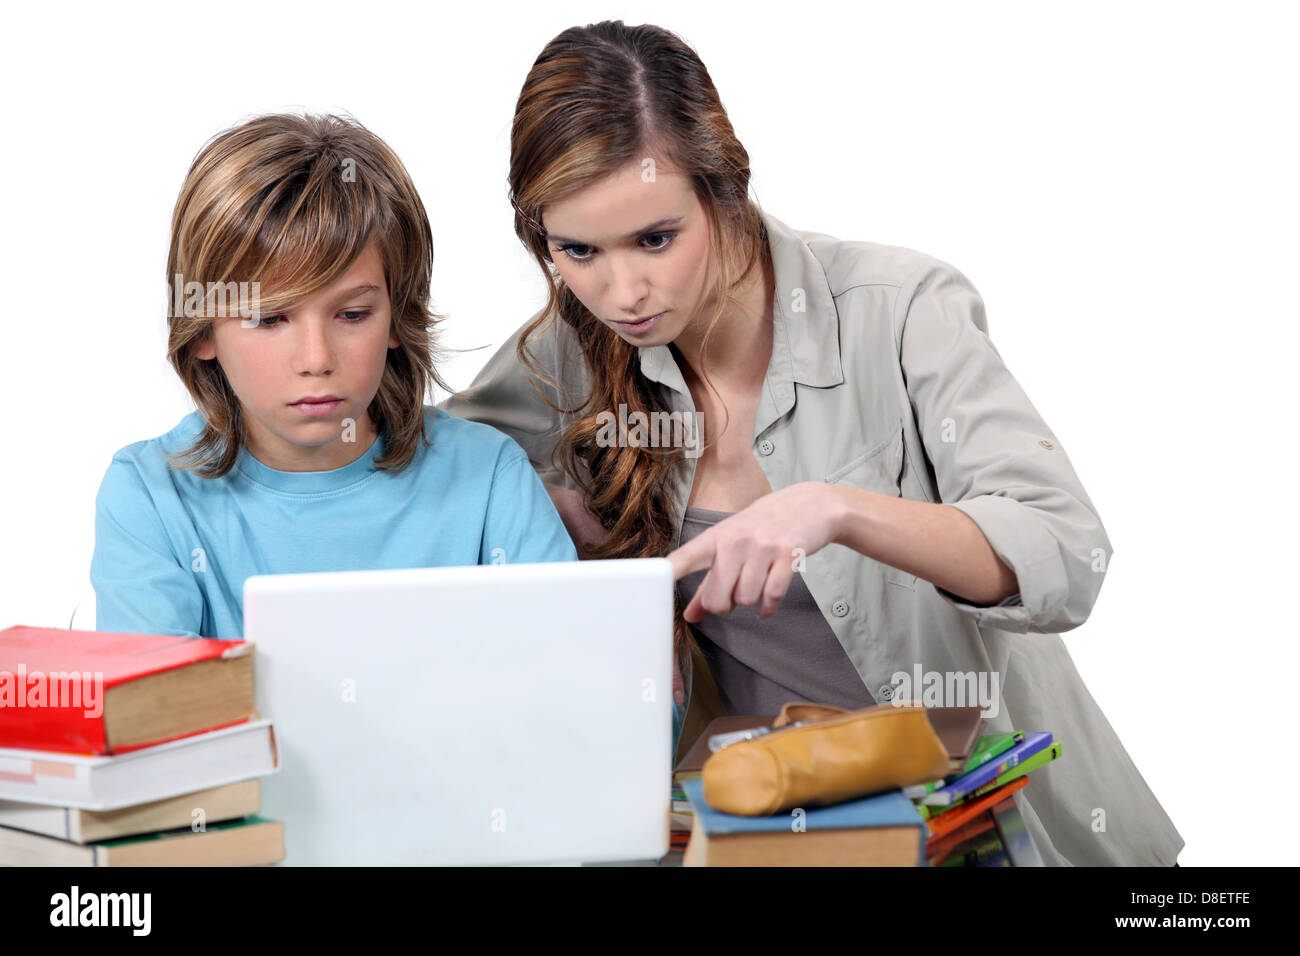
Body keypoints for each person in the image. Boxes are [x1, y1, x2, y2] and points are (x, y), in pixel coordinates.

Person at [437, 20, 1183, 866]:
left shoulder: (899, 306)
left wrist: (835, 510)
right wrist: (542, 507)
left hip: (984, 831)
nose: (623, 291)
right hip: (779, 836)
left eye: (656, 238)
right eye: (576, 250)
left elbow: (1064, 553)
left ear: (724, 189)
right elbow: (429, 467)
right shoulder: (567, 351)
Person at [91, 113, 577, 640]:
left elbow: (585, 694)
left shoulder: (487, 475)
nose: (316, 358)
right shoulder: (149, 494)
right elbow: (156, 714)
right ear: (203, 329)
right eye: (269, 318)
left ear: (396, 316)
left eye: (352, 315)